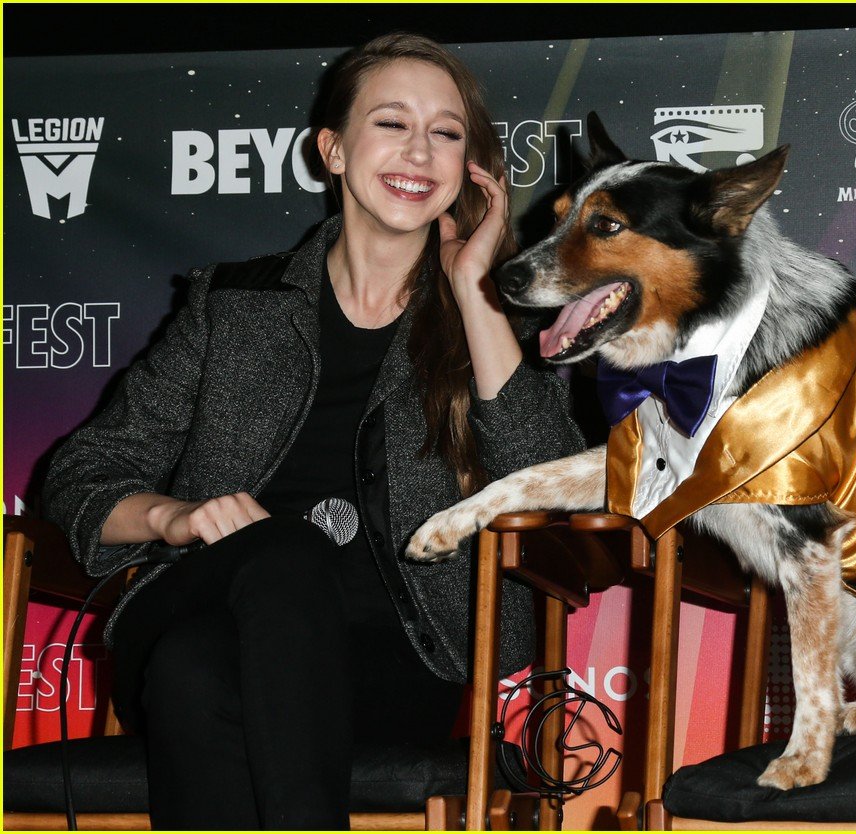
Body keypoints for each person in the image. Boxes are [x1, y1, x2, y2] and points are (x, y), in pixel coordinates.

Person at [43, 33, 584, 830]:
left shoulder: (493, 326)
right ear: (332, 150)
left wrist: (475, 288)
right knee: (276, 564)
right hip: (197, 603)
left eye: (446, 131)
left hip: (392, 662)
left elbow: (551, 488)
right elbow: (81, 471)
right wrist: (174, 517)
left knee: (198, 677)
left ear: (473, 167)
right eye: (392, 123)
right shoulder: (234, 305)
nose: (419, 151)